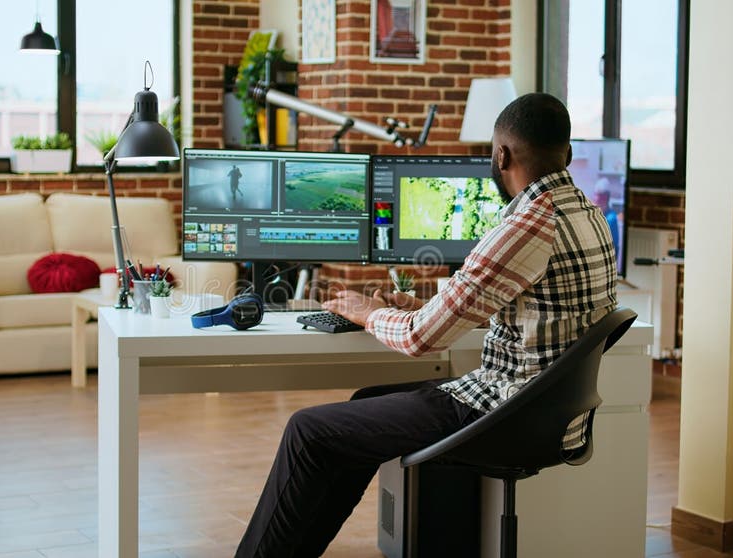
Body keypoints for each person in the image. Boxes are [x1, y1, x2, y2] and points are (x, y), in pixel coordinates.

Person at [234, 93, 618, 558]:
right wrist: (422, 304)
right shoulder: (589, 214)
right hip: (552, 417)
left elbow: (420, 339)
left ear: (501, 156)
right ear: (567, 154)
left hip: (502, 414)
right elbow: (532, 309)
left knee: (308, 431)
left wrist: (364, 312)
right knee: (364, 404)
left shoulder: (525, 224)